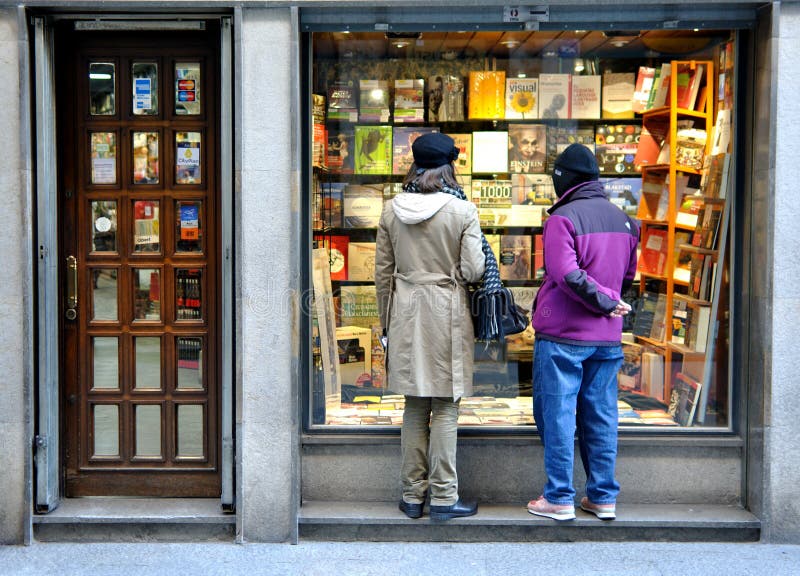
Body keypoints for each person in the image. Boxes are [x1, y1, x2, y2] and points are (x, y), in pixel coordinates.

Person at [375, 132, 485, 521]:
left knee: (414, 406)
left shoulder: (391, 210)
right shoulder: (463, 211)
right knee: (446, 405)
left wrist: (385, 323)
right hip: (446, 310)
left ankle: (411, 496)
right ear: (448, 167)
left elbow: (383, 274)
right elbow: (474, 269)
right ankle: (444, 497)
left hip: (405, 310)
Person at [527, 143, 639, 522]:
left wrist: (604, 300)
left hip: (563, 334)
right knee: (602, 415)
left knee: (557, 415)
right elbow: (626, 278)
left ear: (564, 180)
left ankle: (559, 496)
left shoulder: (562, 218)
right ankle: (602, 496)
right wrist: (610, 304)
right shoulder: (626, 221)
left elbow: (566, 274)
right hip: (607, 337)